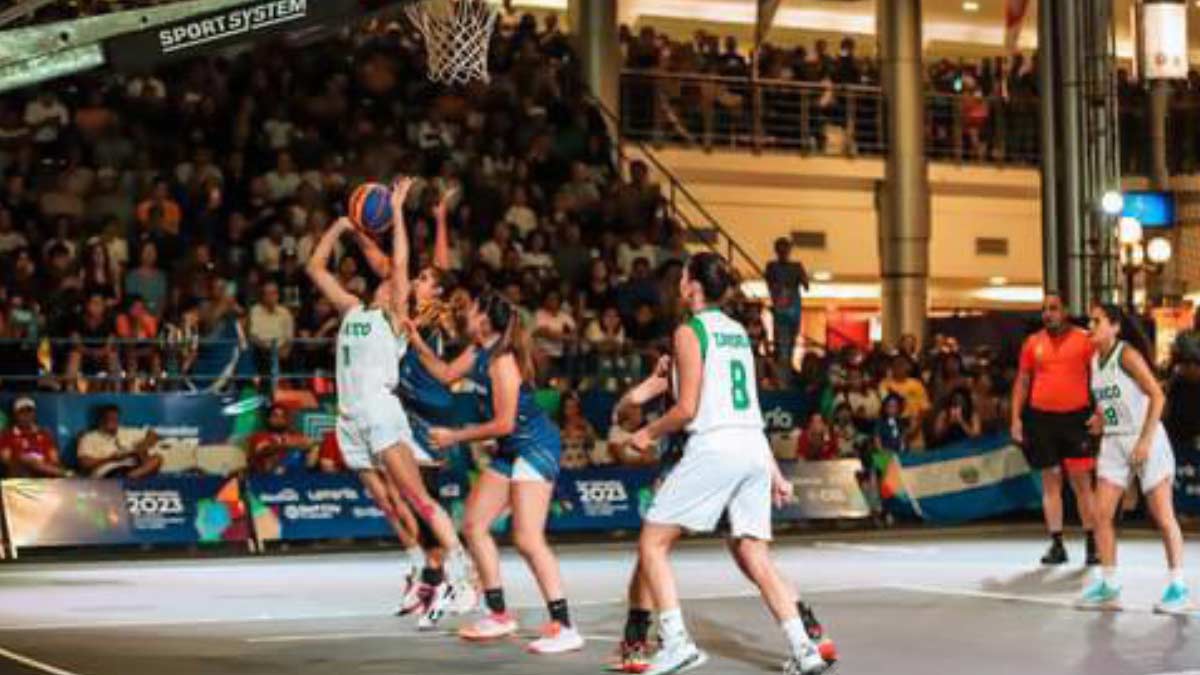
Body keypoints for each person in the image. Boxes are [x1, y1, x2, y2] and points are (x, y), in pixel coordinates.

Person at [626, 252, 834, 675]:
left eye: (683, 276)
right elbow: (750, 409)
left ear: (693, 286)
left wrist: (648, 433)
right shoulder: (739, 332)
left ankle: (676, 642)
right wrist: (773, 470)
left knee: (653, 542)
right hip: (750, 448)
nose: (679, 282)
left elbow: (686, 409)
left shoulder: (690, 331)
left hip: (715, 446)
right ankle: (804, 647)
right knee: (752, 553)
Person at [304, 178, 475, 621]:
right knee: (387, 502)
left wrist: (398, 210)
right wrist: (342, 226)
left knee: (418, 499)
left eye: (399, 280)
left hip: (386, 411)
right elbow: (315, 268)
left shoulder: (400, 316)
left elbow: (398, 263)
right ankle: (420, 570)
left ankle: (460, 574)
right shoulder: (352, 309)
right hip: (349, 418)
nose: (387, 279)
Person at [411, 290, 584, 654]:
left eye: (471, 310)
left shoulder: (502, 360)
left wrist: (454, 436)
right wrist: (412, 335)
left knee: (527, 538)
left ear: (485, 320)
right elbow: (443, 374)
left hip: (534, 446)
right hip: (511, 450)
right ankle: (498, 614)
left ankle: (565, 625)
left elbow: (504, 423)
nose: (466, 315)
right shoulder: (477, 351)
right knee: (473, 527)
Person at [1077, 305, 1188, 613]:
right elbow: (1110, 399)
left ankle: (1178, 586)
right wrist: (1100, 418)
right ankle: (1110, 586)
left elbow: (1157, 395)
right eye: (1090, 320)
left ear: (1114, 327)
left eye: (1097, 321)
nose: (1091, 325)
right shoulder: (1094, 362)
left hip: (1145, 437)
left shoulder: (1126, 355)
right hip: (1114, 441)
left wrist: (1145, 441)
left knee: (1163, 517)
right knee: (1100, 515)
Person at [1011, 292, 1099, 566]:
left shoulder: (1086, 340)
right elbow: (1023, 382)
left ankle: (1092, 545)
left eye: (1053, 308)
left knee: (1082, 484)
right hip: (1041, 421)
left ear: (1066, 310)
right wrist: (1016, 419)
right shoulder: (1032, 343)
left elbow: (1101, 378)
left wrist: (1100, 413)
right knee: (1050, 482)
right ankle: (1057, 544)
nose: (1048, 314)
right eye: (1044, 309)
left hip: (1076, 420)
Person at [764, 237, 809, 385]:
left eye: (786, 250)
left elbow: (806, 285)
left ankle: (786, 377)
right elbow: (770, 285)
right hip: (782, 311)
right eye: (781, 250)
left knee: (789, 345)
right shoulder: (772, 266)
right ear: (776, 251)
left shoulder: (796, 267)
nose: (784, 253)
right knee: (782, 347)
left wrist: (801, 276)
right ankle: (783, 379)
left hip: (793, 310)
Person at [76, 405, 163, 479]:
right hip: (109, 470)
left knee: (156, 459)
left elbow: (153, 434)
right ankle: (124, 481)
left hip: (133, 468)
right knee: (118, 474)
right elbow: (84, 463)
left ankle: (127, 479)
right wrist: (111, 458)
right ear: (101, 420)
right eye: (110, 419)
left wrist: (142, 447)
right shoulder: (88, 438)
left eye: (116, 419)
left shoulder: (126, 432)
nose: (114, 422)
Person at [0, 398, 69, 478]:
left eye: (29, 411)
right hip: (20, 473)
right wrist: (26, 461)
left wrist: (39, 465)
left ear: (34, 413)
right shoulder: (8, 435)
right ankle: (65, 474)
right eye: (22, 412)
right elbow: (6, 461)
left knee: (36, 464)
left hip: (46, 473)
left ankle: (58, 473)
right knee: (26, 462)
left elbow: (55, 459)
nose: (26, 415)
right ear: (15, 415)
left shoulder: (45, 434)